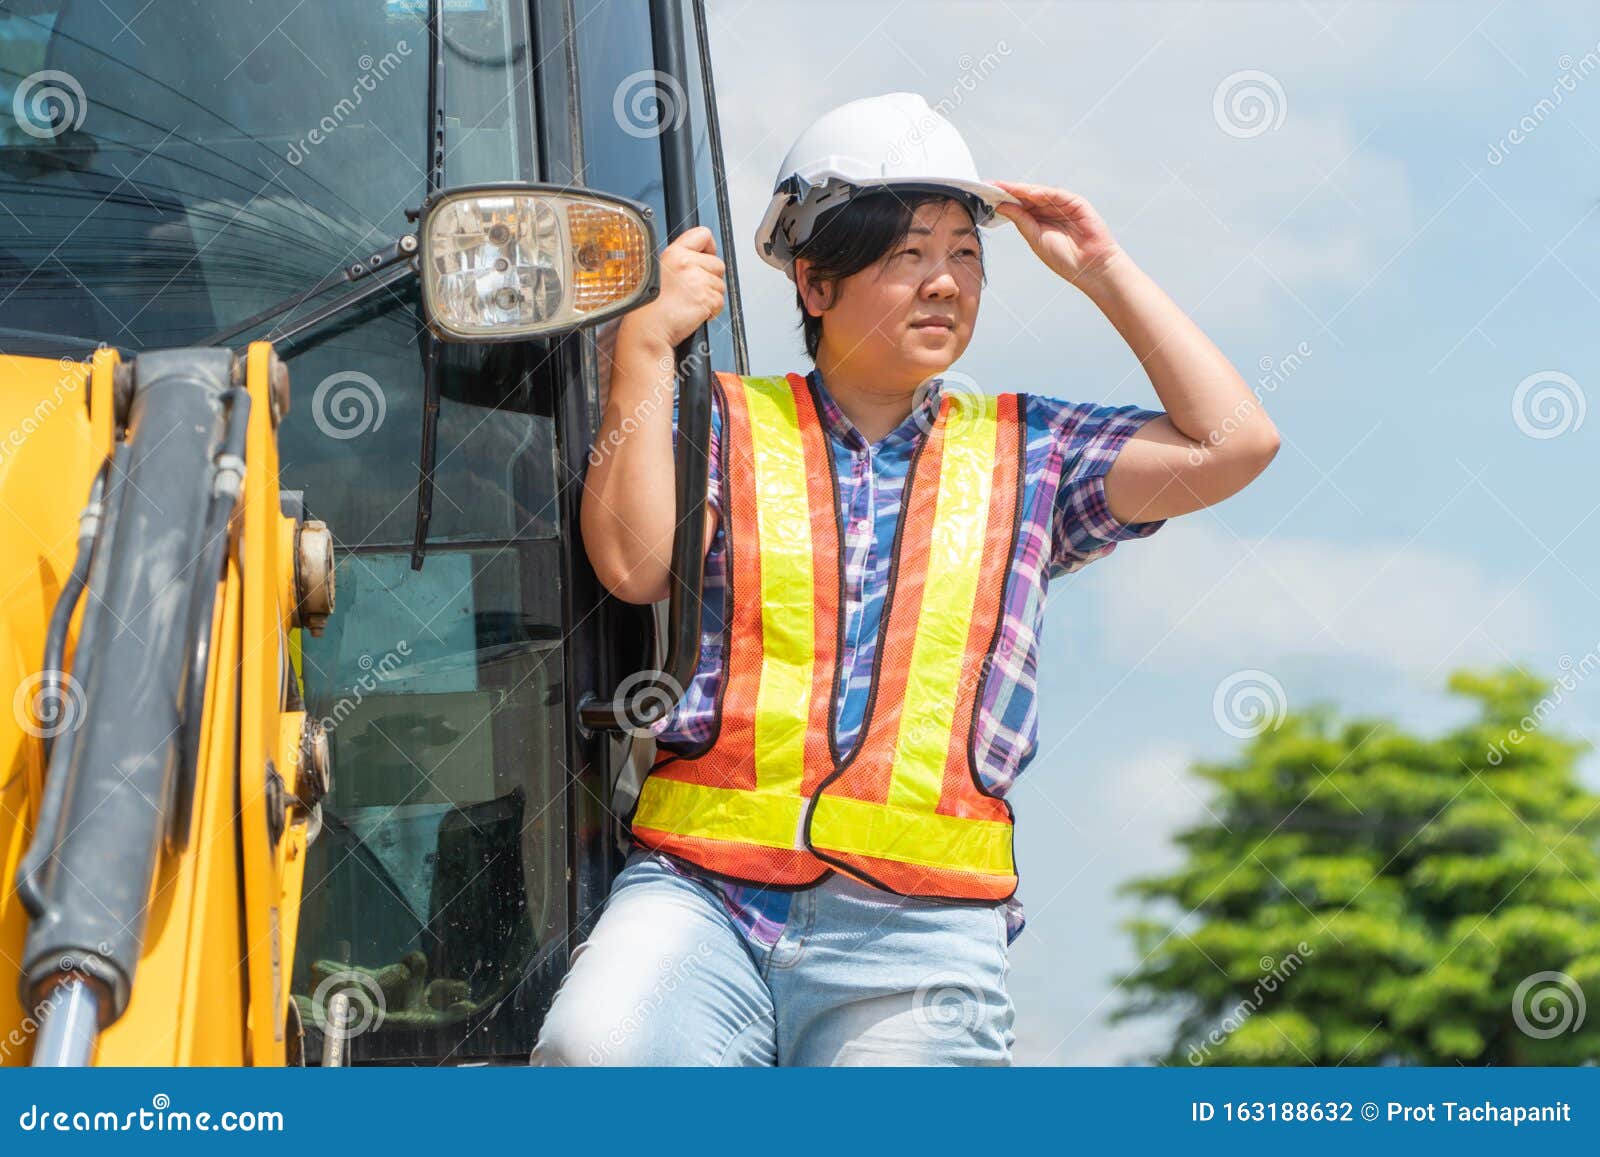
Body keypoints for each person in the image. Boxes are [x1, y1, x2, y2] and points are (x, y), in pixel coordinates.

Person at [533, 92, 1279, 1066]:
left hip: (921, 931)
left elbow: (1235, 443)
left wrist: (1103, 272)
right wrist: (638, 348)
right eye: (908, 254)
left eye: (965, 255)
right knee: (594, 1050)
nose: (945, 282)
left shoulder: (1031, 450)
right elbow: (635, 565)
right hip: (703, 893)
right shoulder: (724, 421)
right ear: (814, 282)